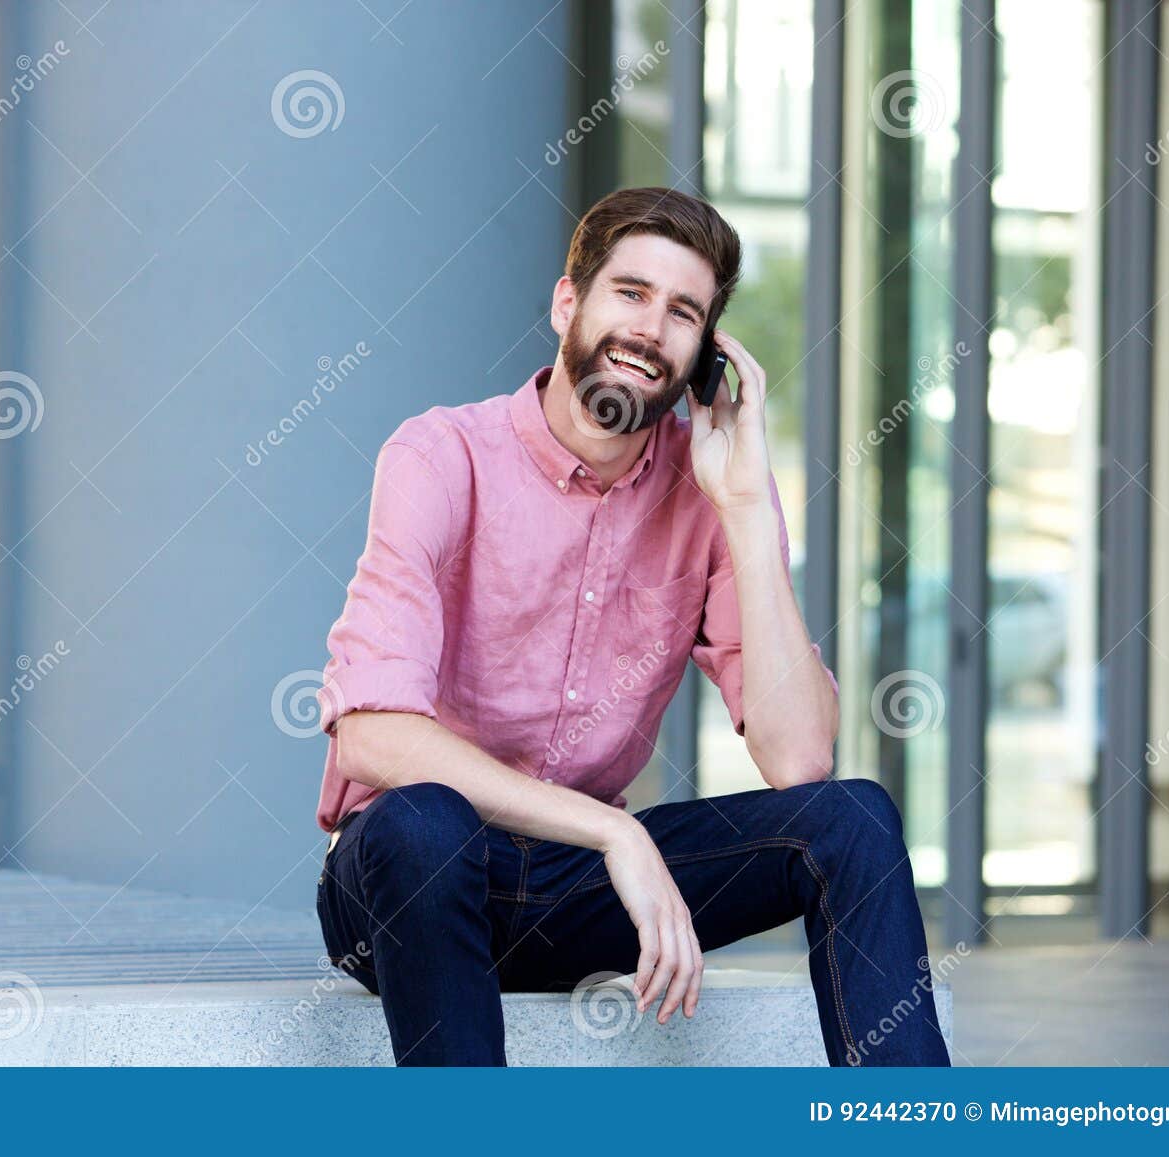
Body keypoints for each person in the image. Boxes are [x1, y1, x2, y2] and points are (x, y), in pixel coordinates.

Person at [311, 186, 949, 1067]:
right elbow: (372, 735)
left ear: (706, 355)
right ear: (568, 303)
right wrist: (616, 830)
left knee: (853, 818)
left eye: (684, 312)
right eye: (631, 293)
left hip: (577, 892)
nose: (652, 329)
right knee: (426, 821)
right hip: (406, 885)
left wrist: (749, 512)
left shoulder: (710, 491)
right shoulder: (441, 456)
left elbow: (798, 759)